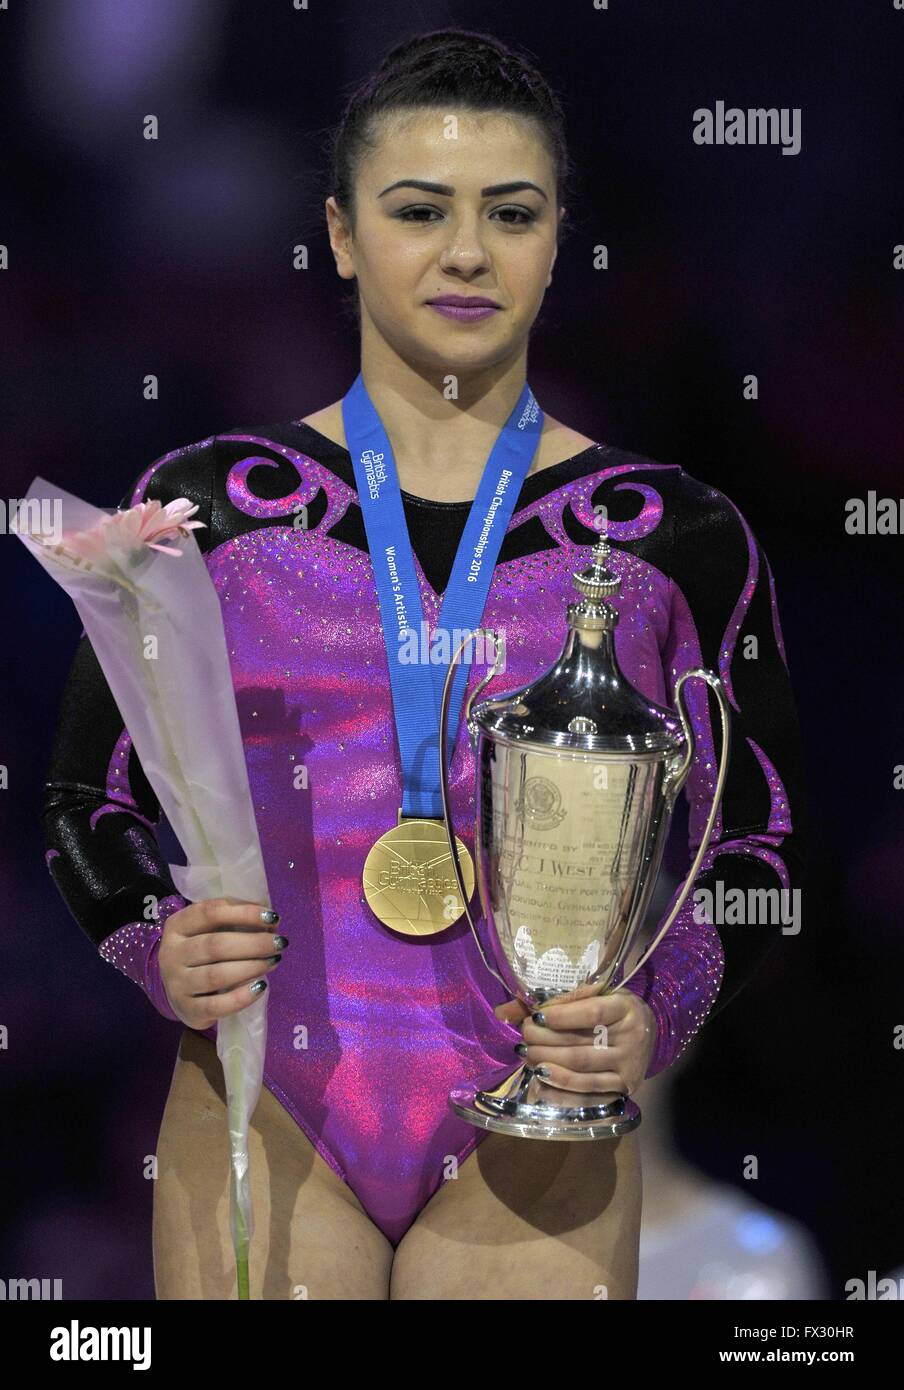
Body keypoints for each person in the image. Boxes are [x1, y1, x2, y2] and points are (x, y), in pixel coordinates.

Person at [41, 28, 805, 1300]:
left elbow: (759, 846)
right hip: (266, 1099)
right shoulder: (211, 513)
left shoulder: (675, 534)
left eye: (511, 213)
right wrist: (151, 938)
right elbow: (86, 798)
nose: (466, 251)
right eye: (417, 211)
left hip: (542, 1111)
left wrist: (655, 1006)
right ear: (341, 235)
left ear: (559, 238)